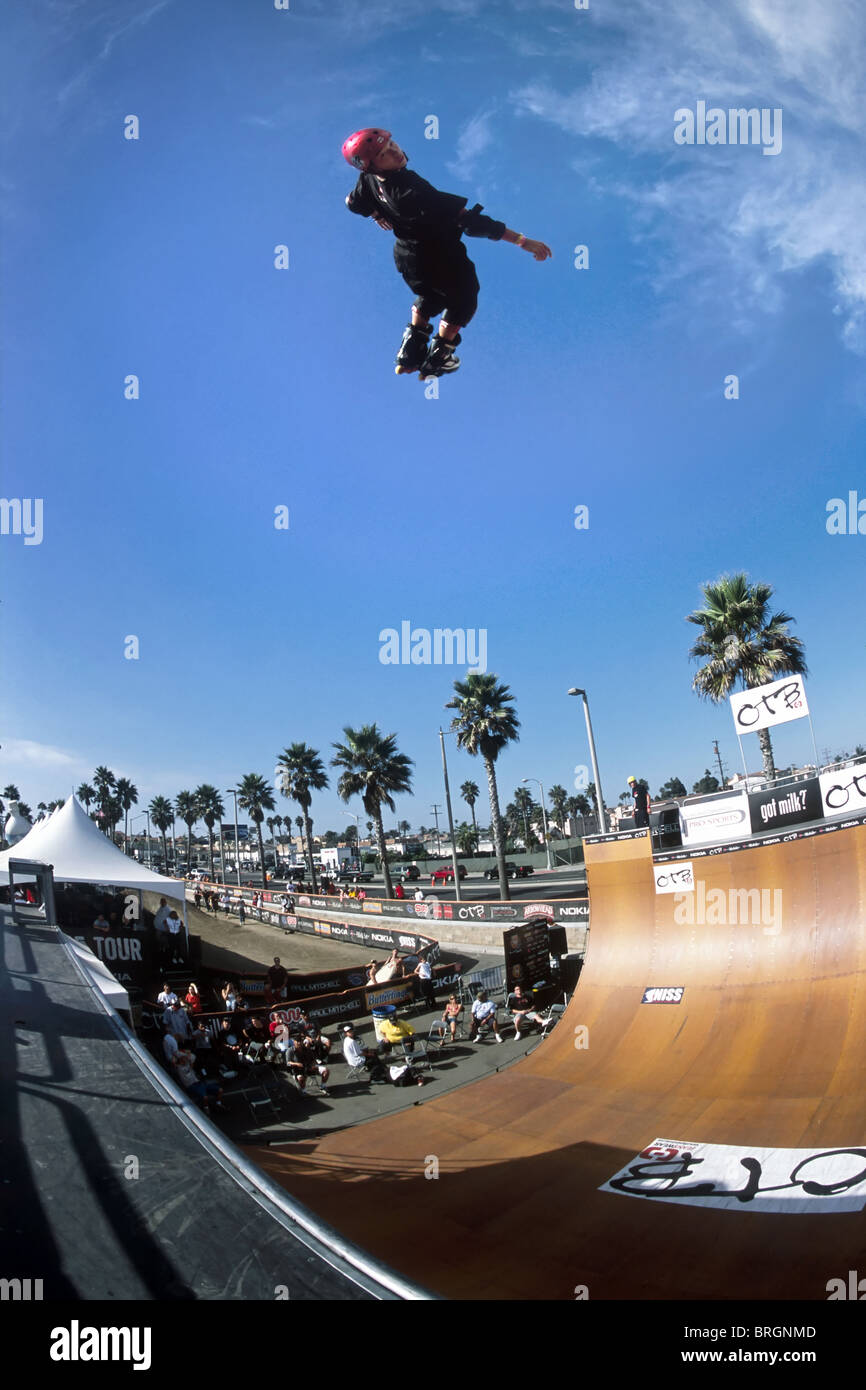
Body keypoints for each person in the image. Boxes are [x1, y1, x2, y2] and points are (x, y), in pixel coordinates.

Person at [342, 129, 552, 379]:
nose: (395, 152)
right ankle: (440, 354)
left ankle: (411, 348)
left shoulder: (368, 181)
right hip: (441, 256)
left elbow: (352, 203)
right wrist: (521, 240)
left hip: (407, 257)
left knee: (430, 295)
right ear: (373, 166)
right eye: (385, 154)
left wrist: (376, 214)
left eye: (392, 144)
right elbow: (471, 223)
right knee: (464, 298)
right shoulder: (413, 191)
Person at [172, 1048, 227, 1115]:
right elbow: (175, 1061)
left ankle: (218, 1104)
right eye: (183, 1058)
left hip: (200, 1083)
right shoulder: (179, 1068)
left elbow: (193, 1057)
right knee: (205, 1097)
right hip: (192, 1086)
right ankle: (206, 1109)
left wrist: (187, 1053)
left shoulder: (188, 1063)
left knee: (220, 1090)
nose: (185, 1059)